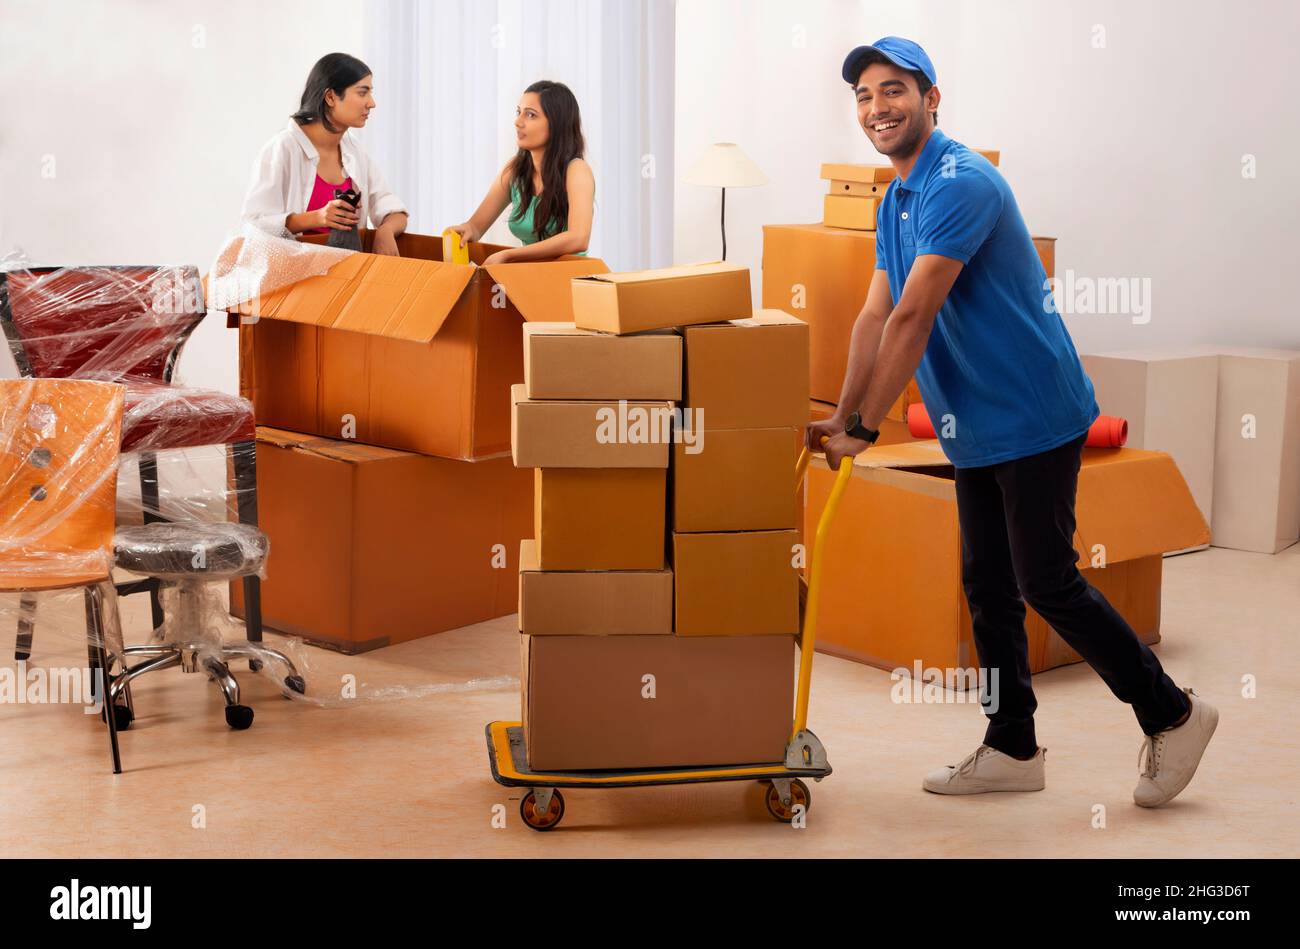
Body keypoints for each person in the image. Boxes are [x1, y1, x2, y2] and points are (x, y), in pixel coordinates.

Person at [807, 37, 1217, 807]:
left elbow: (914, 315)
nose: (876, 108)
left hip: (1032, 411)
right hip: (974, 419)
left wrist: (867, 426)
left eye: (892, 90)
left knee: (1047, 581)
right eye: (863, 95)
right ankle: (1012, 745)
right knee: (988, 585)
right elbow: (873, 314)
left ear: (932, 98)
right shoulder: (895, 198)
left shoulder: (961, 183)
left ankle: (1175, 713)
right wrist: (838, 416)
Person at [241, 53, 408, 256]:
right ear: (330, 97)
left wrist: (385, 231)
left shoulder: (355, 151)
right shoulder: (282, 149)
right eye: (362, 93)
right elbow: (254, 226)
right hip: (298, 280)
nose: (371, 103)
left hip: (349, 277)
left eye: (370, 93)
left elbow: (391, 208)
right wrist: (318, 217)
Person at [448, 80, 594, 264]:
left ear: (556, 124)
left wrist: (510, 255)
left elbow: (578, 238)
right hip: (527, 280)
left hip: (567, 281)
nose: (518, 122)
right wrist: (466, 229)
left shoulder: (576, 170)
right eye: (519, 112)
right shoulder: (515, 170)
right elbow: (475, 227)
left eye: (531, 115)